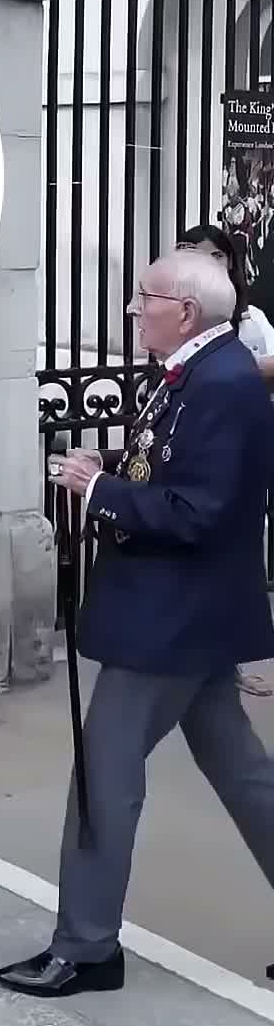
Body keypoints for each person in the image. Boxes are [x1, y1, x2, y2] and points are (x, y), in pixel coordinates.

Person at [0, 248, 274, 999]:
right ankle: (87, 941)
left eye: (142, 297)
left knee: (103, 778)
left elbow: (198, 512)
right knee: (245, 775)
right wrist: (110, 463)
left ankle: (86, 947)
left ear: (183, 311)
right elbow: (170, 464)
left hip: (173, 622)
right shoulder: (196, 372)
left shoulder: (221, 385)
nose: (131, 308)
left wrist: (104, 491)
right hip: (190, 620)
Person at [177, 223, 274, 698]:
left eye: (211, 255)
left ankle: (229, 661)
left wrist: (239, 370)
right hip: (196, 452)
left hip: (242, 449)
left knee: (240, 551)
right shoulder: (180, 315)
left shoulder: (249, 319)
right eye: (189, 253)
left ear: (229, 263)